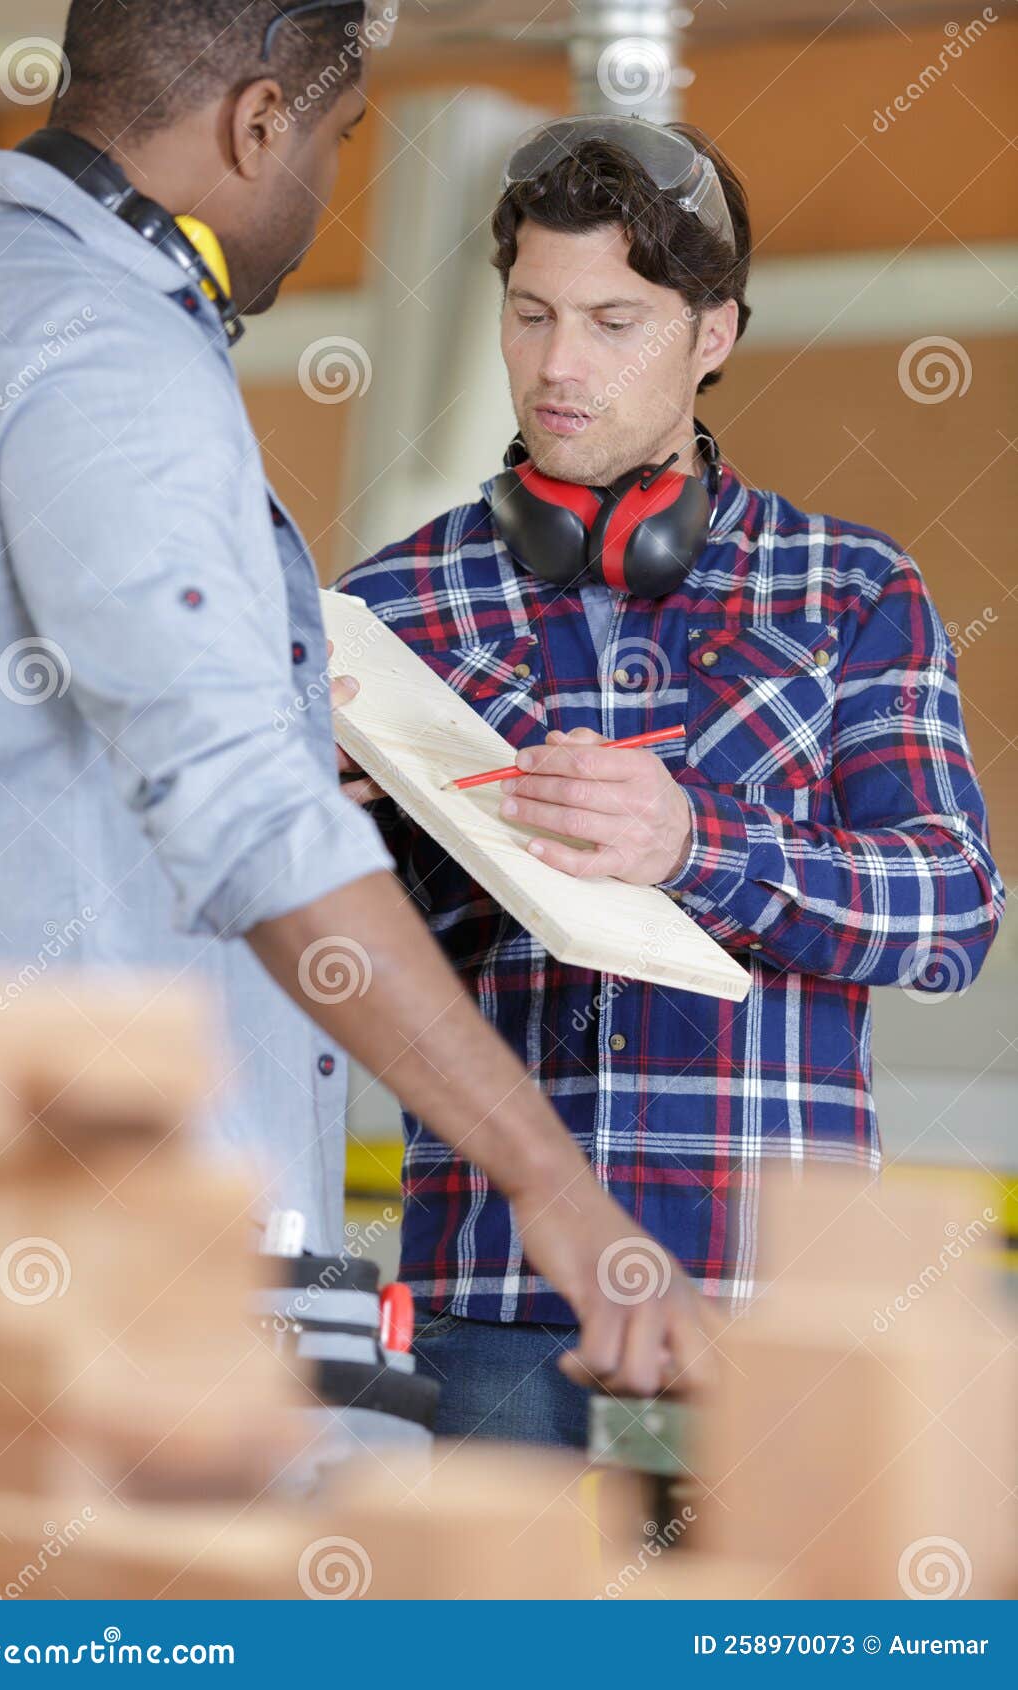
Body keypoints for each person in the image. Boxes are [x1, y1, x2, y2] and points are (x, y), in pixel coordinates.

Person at [0, 6, 710, 1400]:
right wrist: (554, 1180)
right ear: (257, 122)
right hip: (107, 1235)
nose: (324, 189)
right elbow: (243, 814)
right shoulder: (104, 350)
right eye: (337, 137)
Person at [339, 116, 1005, 1448]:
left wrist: (697, 842)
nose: (557, 366)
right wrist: (345, 836)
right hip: (493, 1295)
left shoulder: (853, 592)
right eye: (530, 316)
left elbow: (950, 915)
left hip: (776, 1296)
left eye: (613, 322)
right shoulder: (387, 609)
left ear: (714, 335)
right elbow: (332, 962)